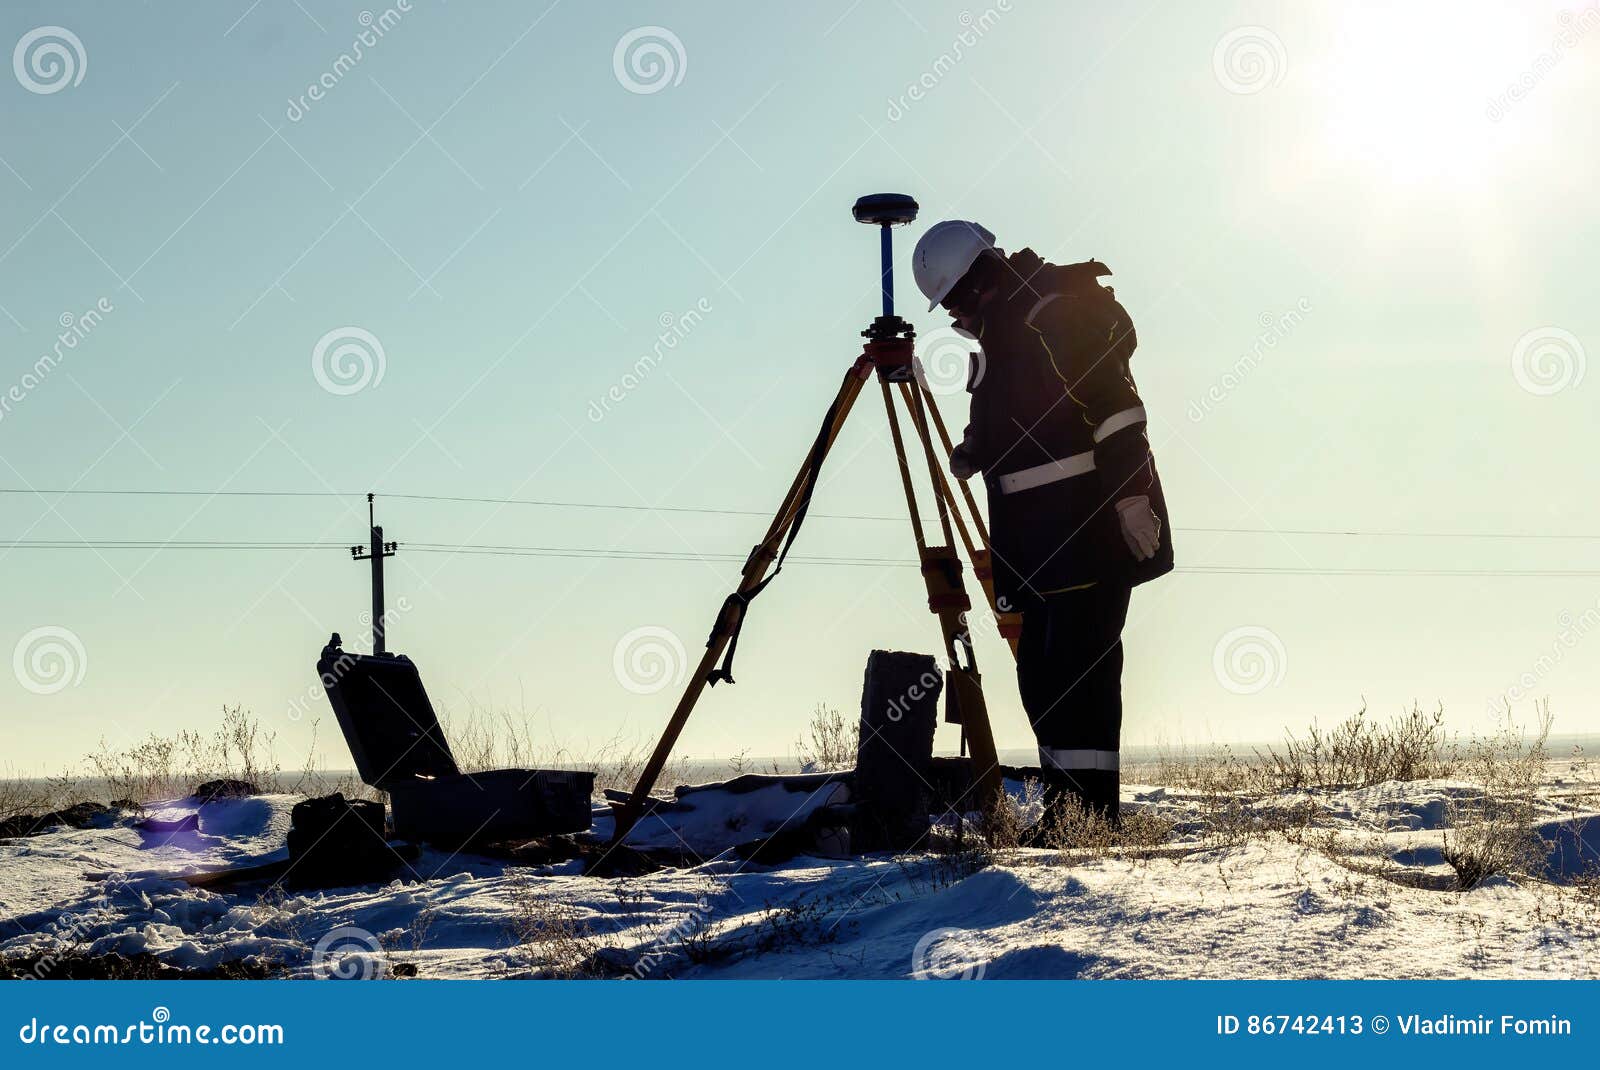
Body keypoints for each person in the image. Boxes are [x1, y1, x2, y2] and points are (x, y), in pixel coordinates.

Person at [911, 220, 1173, 835]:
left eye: (953, 300)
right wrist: (975, 449)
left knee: (1082, 676)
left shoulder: (1054, 311)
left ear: (980, 280)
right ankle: (1066, 816)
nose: (952, 314)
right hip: (1034, 545)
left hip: (1088, 532)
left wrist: (1133, 498)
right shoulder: (1001, 332)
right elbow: (1012, 409)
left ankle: (1091, 822)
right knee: (1044, 678)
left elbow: (1114, 407)